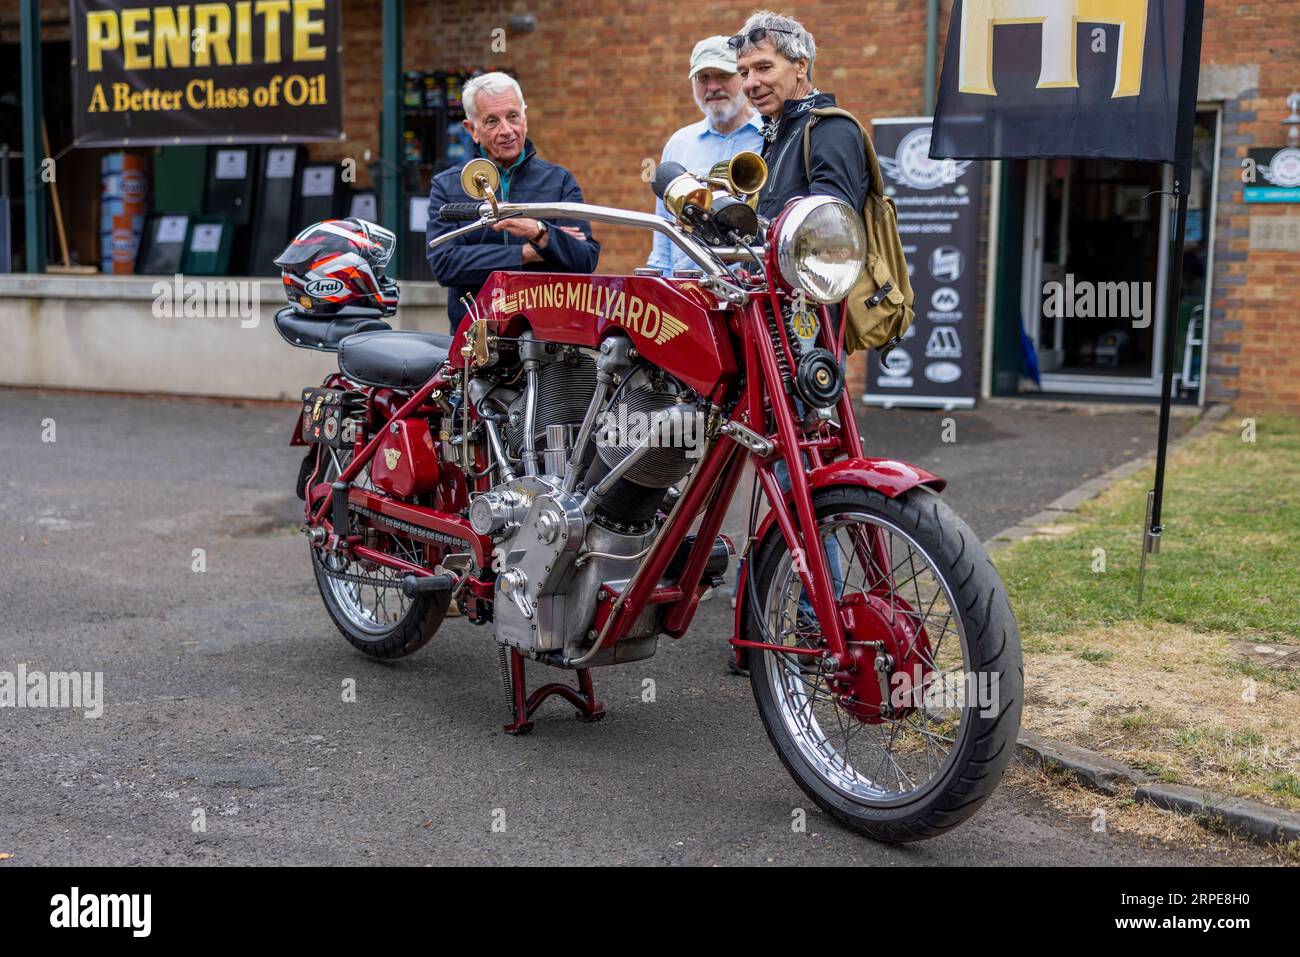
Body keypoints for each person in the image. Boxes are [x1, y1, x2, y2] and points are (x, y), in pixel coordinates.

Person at [426, 72, 600, 334]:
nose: (506, 130)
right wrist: (527, 253)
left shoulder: (560, 181)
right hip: (476, 339)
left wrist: (538, 231)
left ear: (525, 118)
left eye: (513, 116)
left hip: (548, 339)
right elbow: (445, 263)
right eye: (491, 121)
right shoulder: (447, 186)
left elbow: (584, 260)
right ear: (471, 130)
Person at [731, 11, 869, 219]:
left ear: (801, 67)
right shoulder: (777, 132)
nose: (750, 83)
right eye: (744, 73)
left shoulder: (831, 128)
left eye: (764, 67)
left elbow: (833, 231)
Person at [647, 36, 765, 275]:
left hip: (752, 290)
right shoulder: (679, 143)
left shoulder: (768, 134)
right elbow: (663, 234)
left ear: (743, 77)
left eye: (722, 75)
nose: (712, 87)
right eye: (703, 78)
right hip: (688, 290)